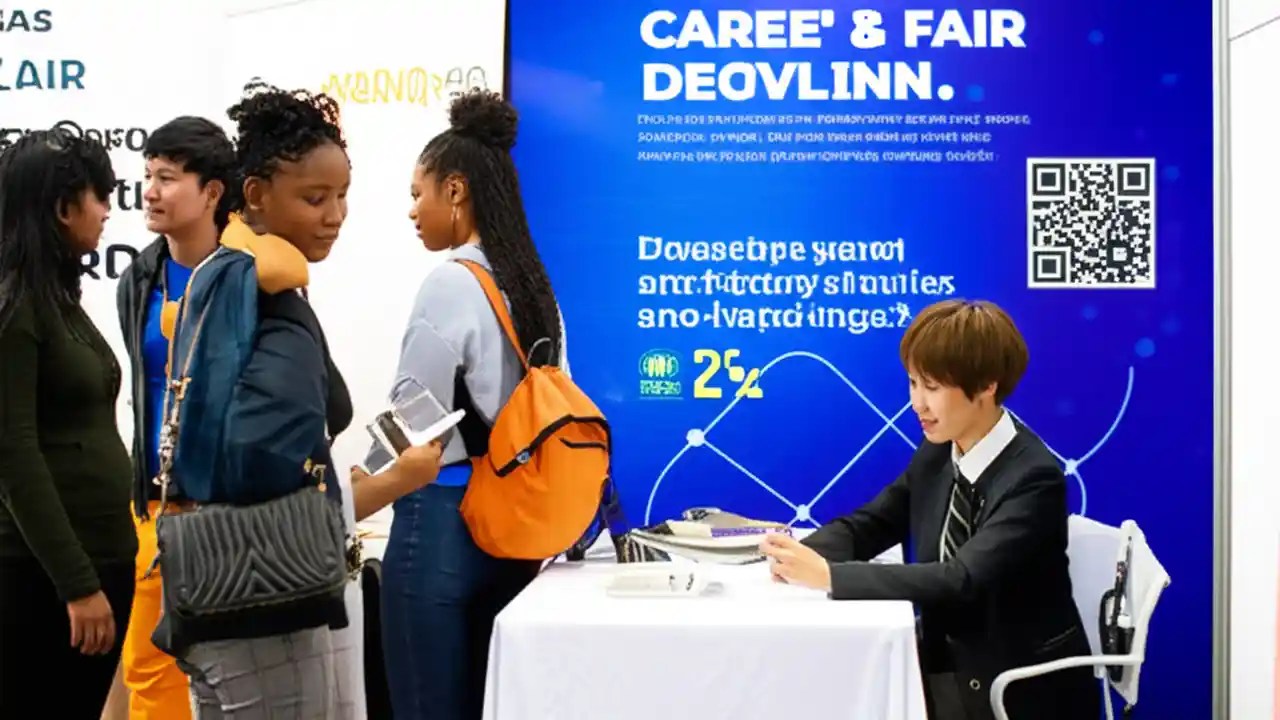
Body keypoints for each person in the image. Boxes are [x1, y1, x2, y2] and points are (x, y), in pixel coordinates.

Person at [163, 81, 443, 720]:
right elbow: (264, 450)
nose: (334, 214)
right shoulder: (268, 295)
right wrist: (345, 486)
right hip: (266, 595)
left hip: (212, 585)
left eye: (342, 196)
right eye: (314, 198)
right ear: (255, 195)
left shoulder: (217, 278)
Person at [761, 299, 1100, 720]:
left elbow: (962, 578)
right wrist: (796, 555)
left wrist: (829, 576)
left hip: (1011, 683)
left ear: (988, 385)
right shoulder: (938, 450)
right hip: (940, 660)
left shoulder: (1033, 477)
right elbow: (875, 522)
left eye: (933, 388)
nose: (917, 403)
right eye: (913, 383)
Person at [352, 88, 566, 720]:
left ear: (455, 190)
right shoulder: (532, 283)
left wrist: (363, 486)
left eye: (418, 193)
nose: (412, 211)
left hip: (439, 528)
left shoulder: (450, 281)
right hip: (516, 528)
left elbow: (410, 411)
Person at [0, 129, 138, 716]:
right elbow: (14, 456)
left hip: (95, 565)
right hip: (41, 581)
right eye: (97, 196)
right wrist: (77, 584)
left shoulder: (55, 298)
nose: (107, 211)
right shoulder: (15, 308)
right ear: (62, 207)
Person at [114, 115, 236, 720]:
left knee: (233, 672)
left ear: (212, 192)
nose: (151, 191)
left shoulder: (249, 272)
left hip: (230, 508)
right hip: (158, 501)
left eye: (167, 177)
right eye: (147, 176)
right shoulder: (139, 276)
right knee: (148, 667)